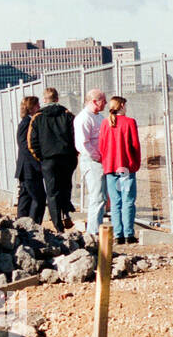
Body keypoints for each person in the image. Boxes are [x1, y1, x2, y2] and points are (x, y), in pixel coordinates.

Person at [28, 87, 78, 231]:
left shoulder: (38, 117)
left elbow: (32, 141)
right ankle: (66, 213)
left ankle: (58, 225)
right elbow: (75, 137)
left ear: (44, 100)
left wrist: (40, 157)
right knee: (66, 186)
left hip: (48, 160)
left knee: (52, 192)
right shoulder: (68, 115)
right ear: (57, 99)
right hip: (67, 158)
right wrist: (74, 154)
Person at [98, 96, 141, 244]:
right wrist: (135, 164)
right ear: (122, 105)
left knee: (115, 202)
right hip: (125, 166)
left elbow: (101, 146)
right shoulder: (130, 122)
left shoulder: (105, 123)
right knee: (128, 201)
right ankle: (129, 233)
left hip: (110, 166)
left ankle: (118, 234)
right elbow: (135, 145)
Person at [74, 89, 107, 234]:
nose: (105, 103)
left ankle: (97, 228)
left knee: (101, 198)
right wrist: (98, 156)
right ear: (94, 101)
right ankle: (93, 232)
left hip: (100, 160)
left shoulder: (98, 117)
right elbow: (83, 144)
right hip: (93, 162)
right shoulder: (84, 118)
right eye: (103, 100)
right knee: (97, 197)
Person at [14, 95, 46, 224]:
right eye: (37, 105)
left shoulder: (29, 121)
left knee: (25, 198)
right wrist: (38, 164)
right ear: (31, 107)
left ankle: (21, 224)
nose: (39, 108)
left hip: (28, 168)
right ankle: (33, 225)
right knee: (38, 198)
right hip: (29, 168)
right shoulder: (26, 123)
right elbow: (25, 146)